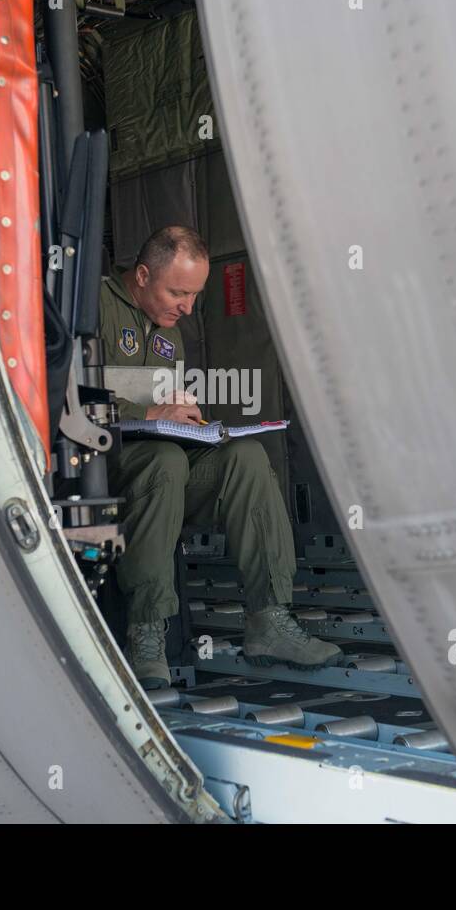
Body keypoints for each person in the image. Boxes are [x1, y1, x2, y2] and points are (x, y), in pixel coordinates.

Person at [99, 225, 342, 689]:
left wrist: (194, 423)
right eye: (178, 292)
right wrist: (148, 411)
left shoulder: (171, 335)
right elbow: (64, 397)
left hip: (165, 465)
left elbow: (167, 404)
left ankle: (269, 618)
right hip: (106, 468)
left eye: (194, 296)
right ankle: (147, 630)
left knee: (246, 455)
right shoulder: (94, 307)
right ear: (144, 274)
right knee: (165, 461)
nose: (187, 308)